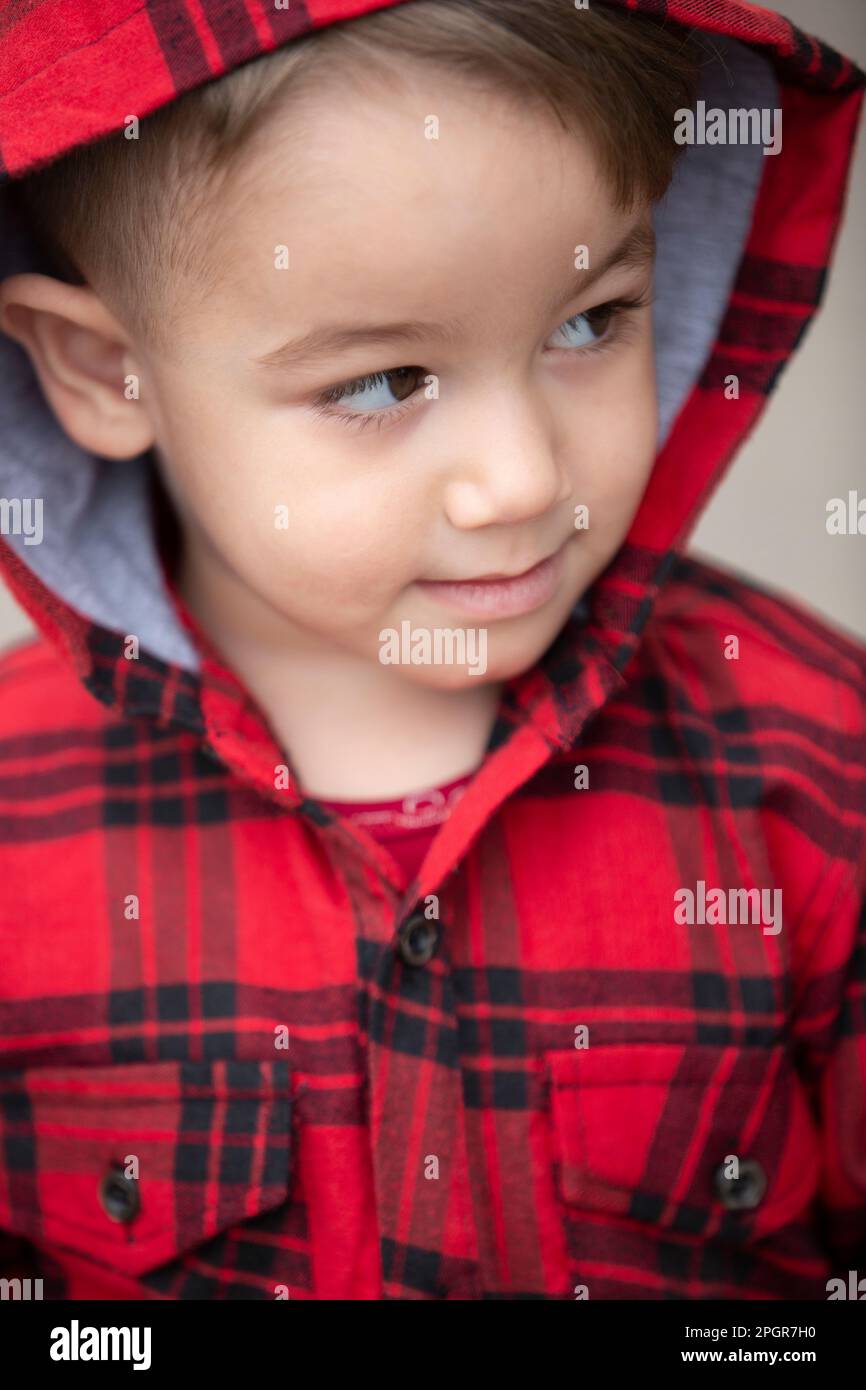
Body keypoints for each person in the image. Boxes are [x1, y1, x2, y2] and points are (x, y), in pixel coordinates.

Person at [0, 0, 863, 1300]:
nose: (519, 482)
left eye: (587, 322)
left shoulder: (814, 757)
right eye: (384, 381)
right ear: (105, 370)